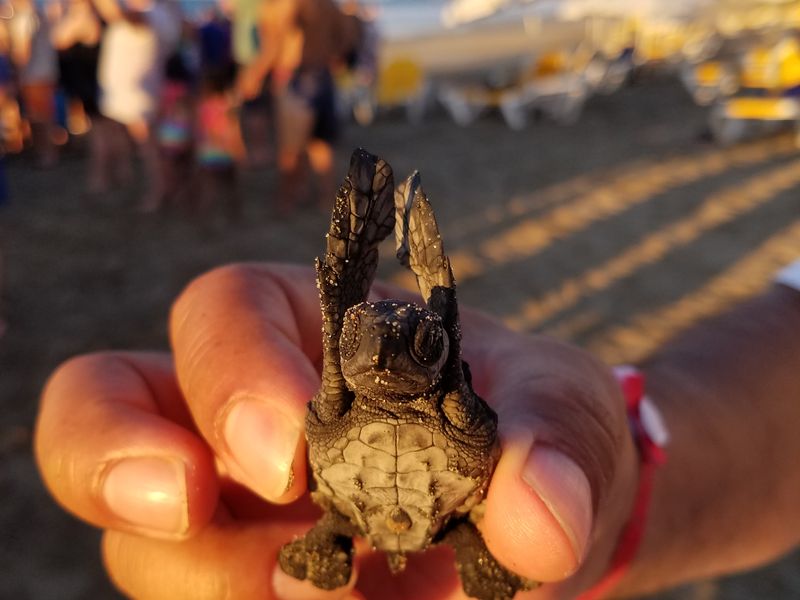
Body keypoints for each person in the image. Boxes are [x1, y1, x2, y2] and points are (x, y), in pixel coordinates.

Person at [34, 262, 800, 599]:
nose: (388, 357)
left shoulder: (437, 400)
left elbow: (458, 410)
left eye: (423, 346)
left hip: (441, 517)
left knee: (473, 539)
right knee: (303, 482)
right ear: (344, 352)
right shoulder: (340, 393)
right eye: (360, 345)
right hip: (356, 506)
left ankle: (361, 544)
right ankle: (330, 541)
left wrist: (589, 475)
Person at [237, 0, 360, 213]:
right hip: (323, 75)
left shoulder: (288, 4)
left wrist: (253, 76)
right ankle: (327, 197)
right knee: (320, 143)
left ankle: (287, 199)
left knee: (290, 147)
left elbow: (275, 43)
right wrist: (336, 57)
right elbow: (349, 33)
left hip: (296, 77)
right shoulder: (328, 4)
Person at [8, 0, 59, 167]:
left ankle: (47, 155)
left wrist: (14, 74)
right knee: (41, 116)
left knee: (40, 117)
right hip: (43, 72)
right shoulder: (37, 14)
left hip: (34, 75)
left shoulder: (25, 18)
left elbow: (23, 52)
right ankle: (43, 152)